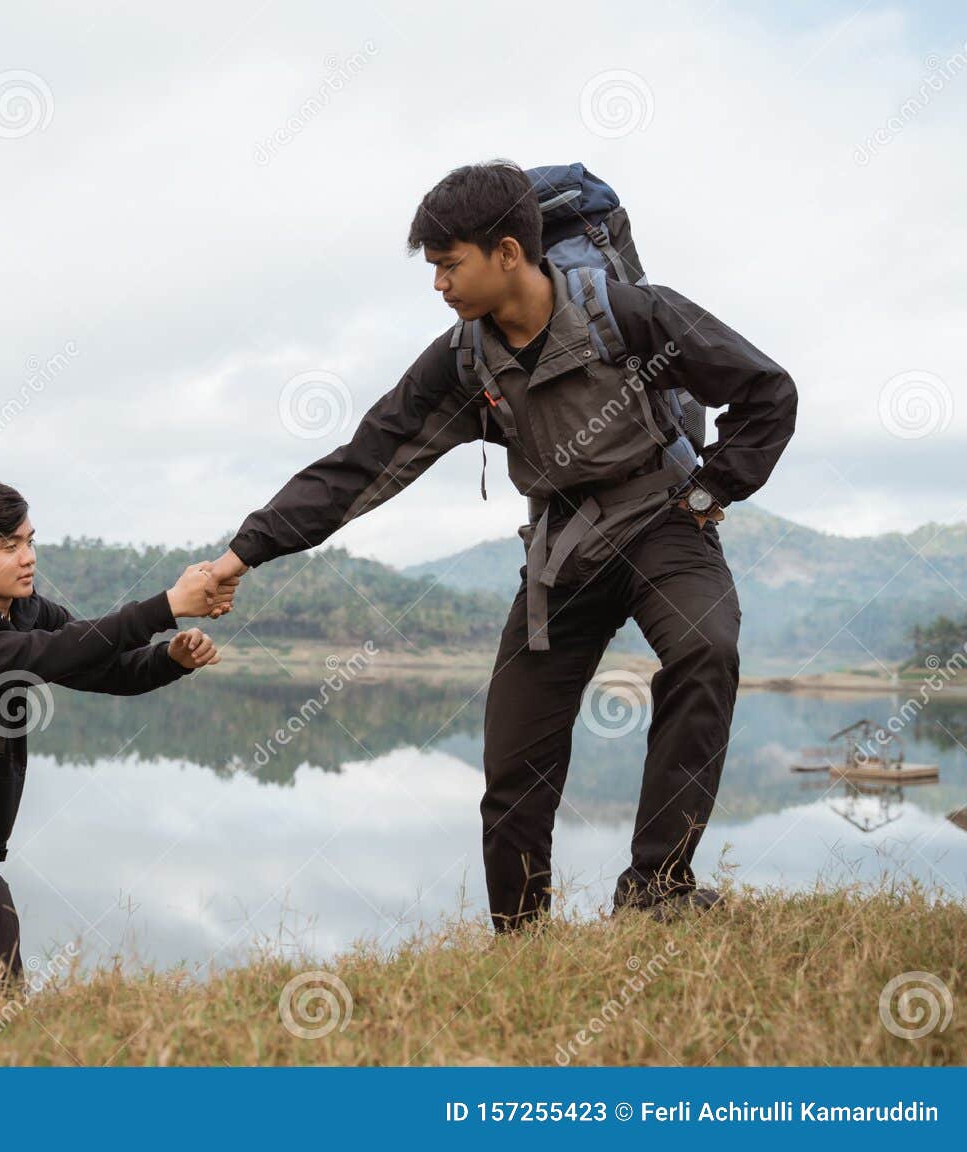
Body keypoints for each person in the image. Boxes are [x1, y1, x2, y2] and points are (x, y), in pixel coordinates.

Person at [203, 160, 797, 931]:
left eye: (450, 265)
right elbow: (359, 468)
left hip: (663, 522)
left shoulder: (630, 314)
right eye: (434, 268)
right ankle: (521, 934)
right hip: (563, 551)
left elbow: (766, 389)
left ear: (510, 253)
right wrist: (240, 553)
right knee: (515, 753)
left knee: (705, 651)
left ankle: (657, 887)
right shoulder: (460, 362)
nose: (439, 285)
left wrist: (713, 488)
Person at [0, 477, 236, 1000]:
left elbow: (102, 667)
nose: (28, 557)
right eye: (10, 547)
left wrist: (169, 660)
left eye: (30, 540)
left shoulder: (22, 608)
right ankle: (10, 1047)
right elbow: (48, 655)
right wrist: (166, 606)